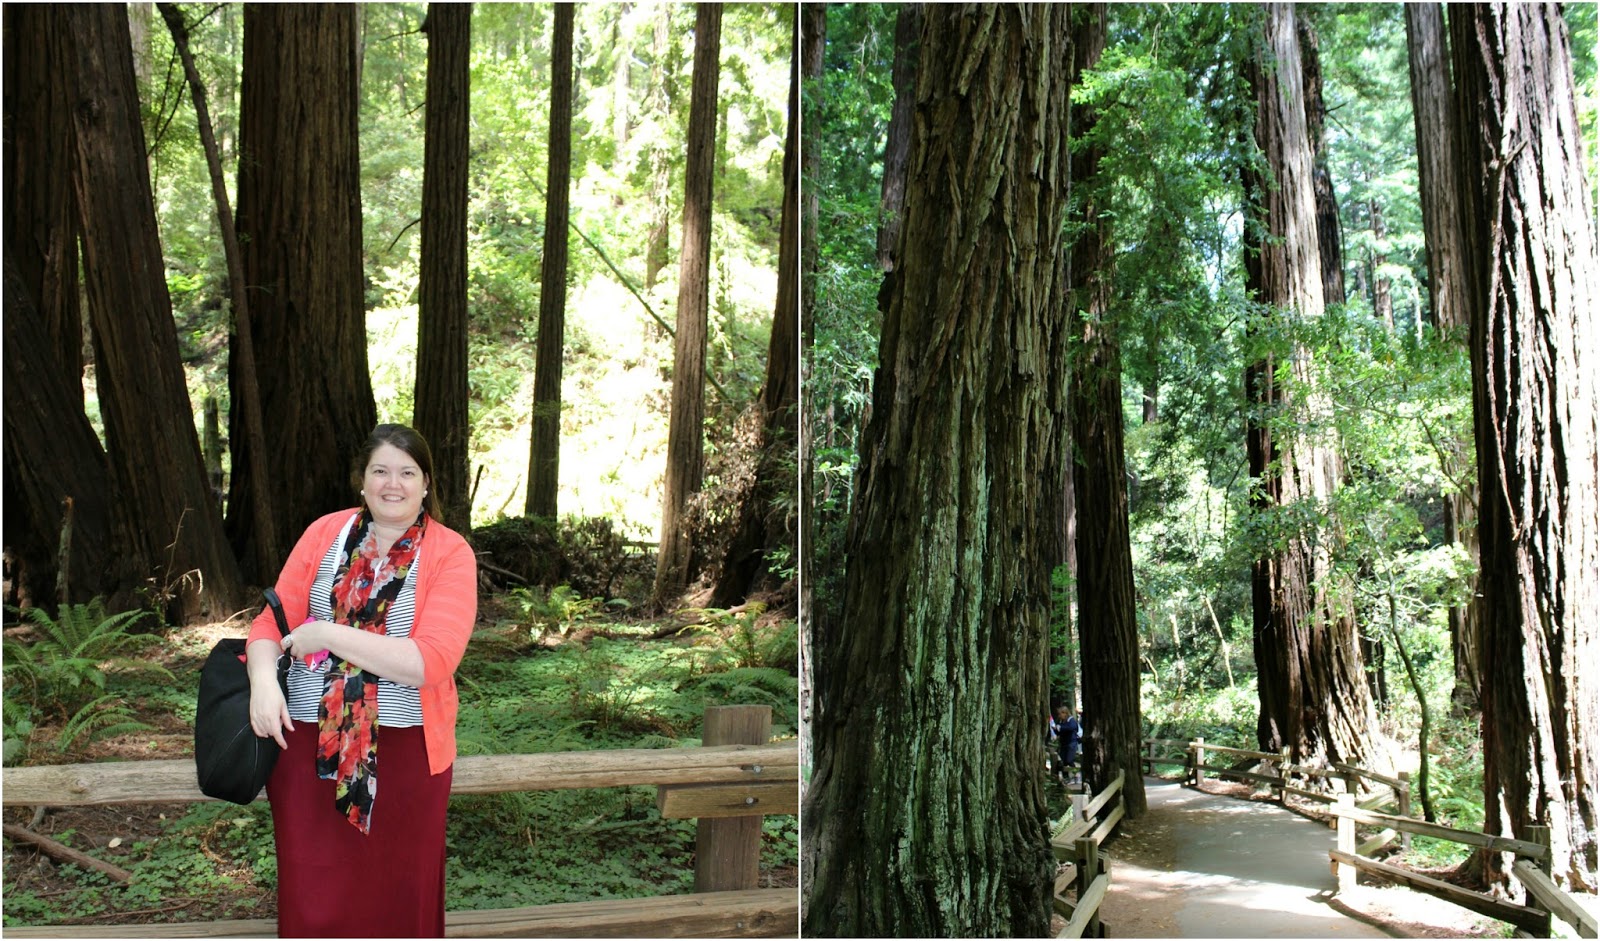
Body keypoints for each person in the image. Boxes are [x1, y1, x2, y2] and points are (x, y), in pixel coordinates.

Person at [246, 423, 476, 938]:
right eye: (380, 471)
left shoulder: (449, 552)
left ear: (426, 484)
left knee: (398, 901)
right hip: (306, 749)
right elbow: (270, 624)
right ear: (362, 479)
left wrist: (328, 633)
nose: (393, 484)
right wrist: (262, 680)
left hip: (405, 756)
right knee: (313, 901)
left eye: (407, 473)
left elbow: (431, 661)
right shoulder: (324, 534)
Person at [1056, 704, 1082, 784]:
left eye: (1060, 714)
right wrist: (1056, 729)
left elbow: (1071, 727)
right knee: (1063, 761)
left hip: (1071, 743)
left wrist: (1061, 727)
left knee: (1069, 760)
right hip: (1064, 744)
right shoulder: (1061, 721)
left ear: (1065, 713)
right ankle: (1066, 778)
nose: (1059, 716)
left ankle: (1076, 775)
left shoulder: (1071, 720)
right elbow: (1059, 731)